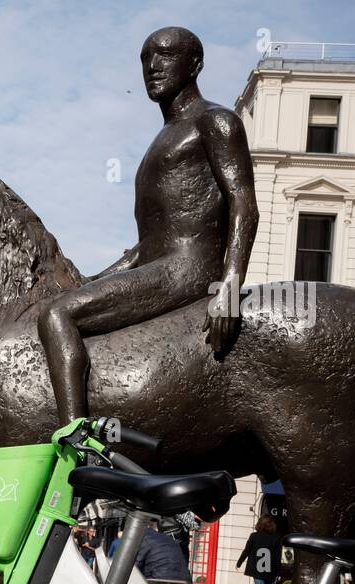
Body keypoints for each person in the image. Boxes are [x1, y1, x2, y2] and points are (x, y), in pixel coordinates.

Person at [31, 26, 258, 425]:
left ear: (195, 65)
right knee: (68, 302)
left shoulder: (216, 122)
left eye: (165, 55)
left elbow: (244, 205)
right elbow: (148, 243)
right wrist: (94, 279)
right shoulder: (164, 138)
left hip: (187, 270)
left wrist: (230, 286)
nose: (152, 66)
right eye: (145, 58)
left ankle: (76, 435)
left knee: (57, 315)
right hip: (162, 266)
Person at [237, 514, 282, 584]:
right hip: (270, 570)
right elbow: (277, 557)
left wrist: (239, 562)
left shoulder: (254, 536)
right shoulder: (276, 538)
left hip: (256, 569)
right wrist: (278, 572)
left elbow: (246, 551)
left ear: (260, 524)